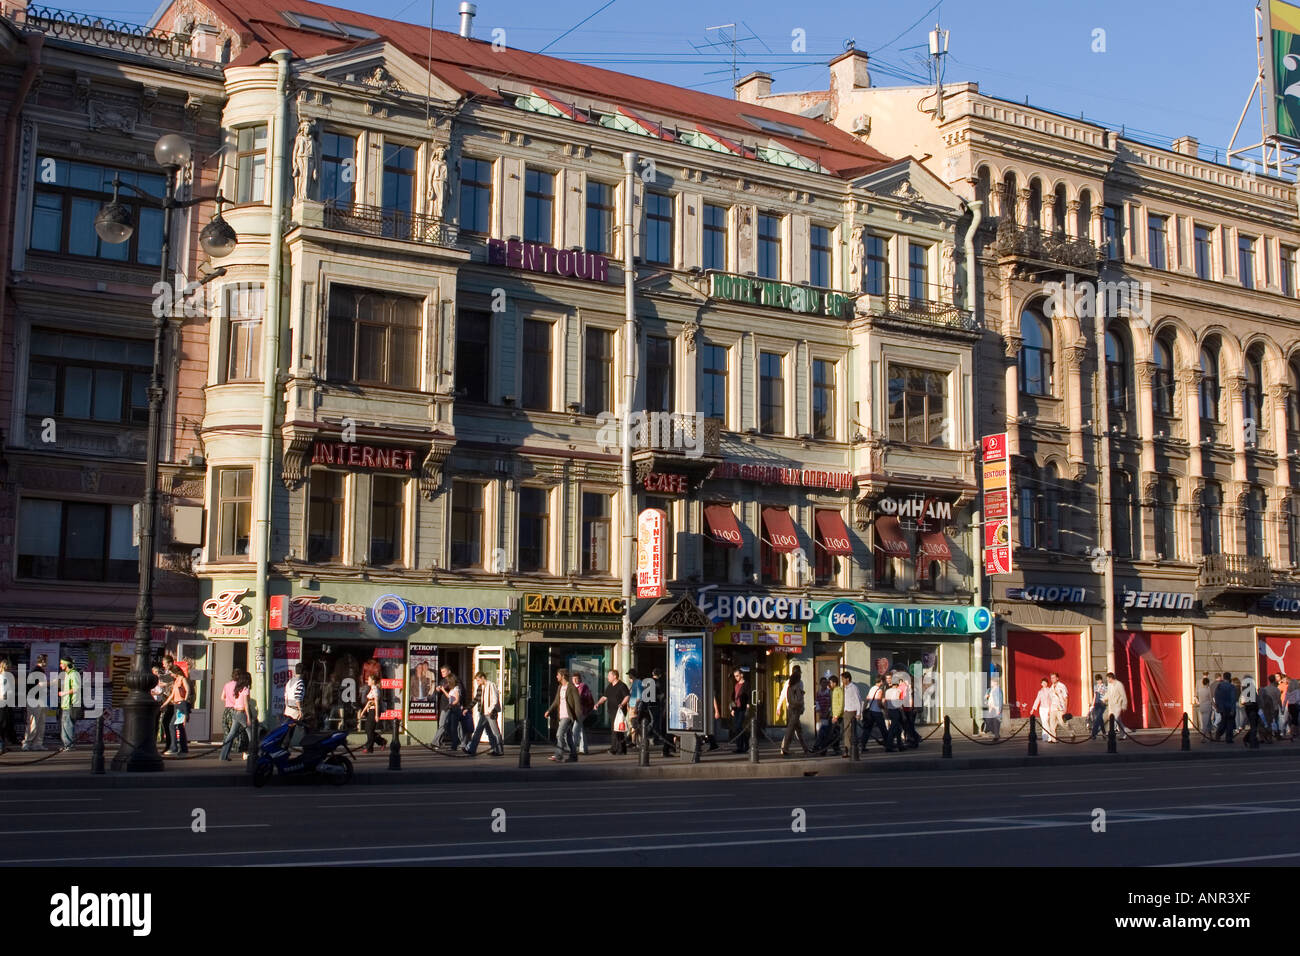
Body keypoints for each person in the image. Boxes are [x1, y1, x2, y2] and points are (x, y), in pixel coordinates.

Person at [463, 671, 505, 757]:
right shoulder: (480, 687)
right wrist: (467, 708)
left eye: (478, 680)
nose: (477, 682)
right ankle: (472, 750)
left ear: (482, 678)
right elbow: (476, 699)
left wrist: (490, 710)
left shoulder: (491, 685)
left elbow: (495, 699)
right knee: (479, 731)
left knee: (495, 732)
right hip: (483, 713)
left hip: (490, 713)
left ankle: (499, 750)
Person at [544, 668, 581, 762]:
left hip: (568, 716)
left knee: (559, 734)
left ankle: (558, 755)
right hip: (561, 715)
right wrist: (549, 710)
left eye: (558, 675)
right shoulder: (560, 687)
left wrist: (578, 717)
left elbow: (577, 703)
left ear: (563, 676)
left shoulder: (572, 688)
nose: (556, 676)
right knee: (568, 738)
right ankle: (574, 756)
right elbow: (557, 701)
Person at [594, 670, 630, 755]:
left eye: (609, 676)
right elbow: (604, 697)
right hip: (611, 711)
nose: (608, 677)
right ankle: (622, 749)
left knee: (616, 730)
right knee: (617, 729)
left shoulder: (622, 685)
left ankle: (614, 749)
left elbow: (627, 696)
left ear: (615, 676)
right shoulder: (609, 686)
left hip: (619, 711)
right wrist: (598, 703)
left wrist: (622, 704)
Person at [219, 670, 251, 761]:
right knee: (250, 734)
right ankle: (253, 754)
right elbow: (246, 704)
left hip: (234, 712)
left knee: (231, 734)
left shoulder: (237, 688)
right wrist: (248, 717)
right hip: (241, 712)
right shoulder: (245, 689)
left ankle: (223, 755)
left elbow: (223, 697)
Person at [778, 665, 808, 757]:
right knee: (791, 728)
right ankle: (785, 748)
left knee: (797, 728)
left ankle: (805, 748)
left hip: (790, 707)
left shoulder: (789, 683)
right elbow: (800, 698)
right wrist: (802, 706)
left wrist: (778, 707)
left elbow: (783, 694)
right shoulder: (799, 683)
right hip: (796, 709)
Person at [56, 657, 83, 752]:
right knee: (65, 726)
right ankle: (67, 745)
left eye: (61, 663)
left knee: (68, 726)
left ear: (66, 664)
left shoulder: (74, 674)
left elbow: (76, 688)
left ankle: (69, 745)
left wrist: (64, 693)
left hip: (71, 704)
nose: (60, 665)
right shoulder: (68, 674)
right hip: (66, 704)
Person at [23, 654, 48, 751]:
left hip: (40, 699)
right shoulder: (36, 671)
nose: (47, 662)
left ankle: (37, 743)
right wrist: (54, 683)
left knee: (41, 722)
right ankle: (27, 743)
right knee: (33, 722)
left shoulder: (40, 671)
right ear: (43, 661)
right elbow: (40, 684)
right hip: (34, 700)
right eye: (46, 660)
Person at [163, 663, 189, 755]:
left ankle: (174, 747)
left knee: (172, 725)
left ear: (175, 672)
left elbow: (188, 690)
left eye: (171, 673)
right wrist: (164, 704)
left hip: (180, 705)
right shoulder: (176, 681)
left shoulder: (182, 679)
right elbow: (172, 695)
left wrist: (184, 702)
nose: (171, 675)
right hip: (176, 705)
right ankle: (183, 749)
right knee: (179, 726)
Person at [863, 675, 894, 751]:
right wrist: (884, 708)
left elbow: (867, 699)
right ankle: (888, 746)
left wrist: (864, 709)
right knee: (883, 729)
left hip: (870, 712)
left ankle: (863, 746)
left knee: (867, 729)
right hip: (877, 712)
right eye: (883, 681)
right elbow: (879, 703)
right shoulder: (879, 690)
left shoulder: (872, 688)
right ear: (881, 681)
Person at [359, 673, 386, 753]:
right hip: (370, 711)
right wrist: (363, 711)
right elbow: (369, 702)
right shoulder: (372, 689)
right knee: (368, 729)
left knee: (369, 729)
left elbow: (376, 703)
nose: (368, 681)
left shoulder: (376, 690)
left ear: (373, 681)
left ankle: (368, 746)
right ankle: (381, 741)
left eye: (369, 680)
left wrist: (376, 715)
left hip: (374, 711)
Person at [438, 674, 464, 750]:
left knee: (453, 728)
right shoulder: (452, 689)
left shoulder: (456, 689)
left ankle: (455, 744)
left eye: (449, 682)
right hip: (452, 709)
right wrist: (443, 690)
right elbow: (450, 697)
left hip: (455, 709)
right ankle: (455, 743)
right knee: (449, 727)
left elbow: (457, 700)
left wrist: (451, 704)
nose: (448, 683)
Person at [571, 672, 594, 756]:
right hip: (576, 711)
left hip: (582, 711)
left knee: (575, 729)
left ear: (580, 679)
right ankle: (583, 749)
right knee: (580, 729)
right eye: (574, 678)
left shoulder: (583, 686)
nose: (575, 680)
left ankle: (572, 748)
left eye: (577, 678)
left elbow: (583, 697)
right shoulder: (572, 687)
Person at [1213, 671, 1239, 743]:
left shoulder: (1219, 686)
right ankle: (1229, 738)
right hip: (1229, 707)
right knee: (1230, 722)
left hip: (1222, 707)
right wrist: (1233, 709)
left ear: (1223, 677)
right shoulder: (1231, 687)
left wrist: (1217, 706)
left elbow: (1216, 696)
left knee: (1223, 721)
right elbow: (1233, 698)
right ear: (1229, 678)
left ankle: (1218, 734)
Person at [840, 671, 861, 758]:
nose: (842, 681)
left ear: (847, 679)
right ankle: (847, 749)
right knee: (846, 732)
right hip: (845, 711)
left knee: (850, 732)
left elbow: (858, 700)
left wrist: (859, 713)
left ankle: (849, 750)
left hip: (851, 711)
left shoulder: (853, 687)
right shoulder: (843, 688)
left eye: (843, 679)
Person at [156, 655, 175, 746]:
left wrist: (166, 684)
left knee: (169, 723)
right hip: (165, 699)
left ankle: (171, 745)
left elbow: (177, 682)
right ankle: (169, 745)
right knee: (165, 722)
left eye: (165, 664)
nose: (163, 666)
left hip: (172, 701)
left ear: (170, 663)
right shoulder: (166, 672)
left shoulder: (175, 671)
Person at [821, 675, 843, 755]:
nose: (828, 685)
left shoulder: (839, 691)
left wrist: (836, 716)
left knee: (831, 734)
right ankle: (836, 749)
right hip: (832, 715)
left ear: (834, 683)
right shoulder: (832, 691)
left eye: (830, 683)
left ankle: (824, 750)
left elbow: (841, 704)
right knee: (833, 734)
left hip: (837, 716)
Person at [1104, 672, 1129, 740]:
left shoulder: (1119, 684)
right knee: (1118, 720)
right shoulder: (1109, 685)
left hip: (1118, 704)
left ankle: (1114, 732)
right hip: (1112, 705)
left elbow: (1123, 695)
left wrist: (1124, 705)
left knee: (1116, 719)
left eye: (1107, 678)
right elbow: (1108, 693)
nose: (1107, 680)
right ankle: (1123, 733)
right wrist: (1104, 699)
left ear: (1111, 678)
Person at [729, 668, 749, 752]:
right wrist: (733, 709)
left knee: (738, 726)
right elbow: (733, 698)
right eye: (735, 676)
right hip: (736, 708)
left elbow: (748, 695)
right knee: (737, 727)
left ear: (742, 675)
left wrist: (748, 707)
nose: (736, 677)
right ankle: (742, 745)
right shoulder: (736, 685)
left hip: (742, 708)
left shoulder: (746, 684)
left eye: (737, 676)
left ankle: (742, 745)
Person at [1241, 674, 1261, 749]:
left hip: (1249, 708)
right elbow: (1255, 699)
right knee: (1254, 726)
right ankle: (1252, 741)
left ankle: (1247, 739)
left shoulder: (1245, 688)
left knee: (1254, 726)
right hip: (1253, 708)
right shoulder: (1250, 688)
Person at [812, 676, 832, 752]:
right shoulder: (818, 693)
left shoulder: (828, 692)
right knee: (821, 731)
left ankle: (819, 747)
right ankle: (820, 747)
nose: (824, 684)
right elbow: (817, 703)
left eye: (825, 683)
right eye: (822, 683)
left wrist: (827, 712)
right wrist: (819, 713)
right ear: (820, 684)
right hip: (820, 715)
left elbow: (830, 703)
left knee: (824, 732)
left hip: (827, 715)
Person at [1261, 674, 1281, 744]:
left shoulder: (1265, 689)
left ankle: (1268, 736)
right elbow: (1279, 700)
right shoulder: (1277, 689)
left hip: (1266, 709)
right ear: (1274, 680)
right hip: (1275, 708)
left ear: (1268, 680)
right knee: (1276, 721)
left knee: (1267, 723)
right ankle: (1277, 734)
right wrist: (1281, 707)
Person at [0, 659, 15, 754]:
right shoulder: (5, 676)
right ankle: (1, 746)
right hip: (3, 704)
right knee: (3, 725)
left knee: (3, 725)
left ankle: (3, 746)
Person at [1049, 672, 1069, 739]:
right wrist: (1049, 710)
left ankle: (1071, 733)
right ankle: (1053, 739)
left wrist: (1065, 708)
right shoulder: (1051, 688)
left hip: (1060, 707)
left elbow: (1066, 697)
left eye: (1054, 678)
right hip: (1053, 708)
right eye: (1051, 678)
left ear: (1057, 678)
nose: (1052, 679)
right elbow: (1050, 700)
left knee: (1062, 723)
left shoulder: (1062, 686)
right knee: (1052, 724)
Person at [1088, 674, 1107, 740]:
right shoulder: (1095, 686)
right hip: (1096, 703)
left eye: (1099, 680)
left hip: (1102, 703)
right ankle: (1104, 733)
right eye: (1097, 680)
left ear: (1101, 679)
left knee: (1097, 718)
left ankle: (1094, 734)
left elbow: (1106, 695)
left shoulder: (1104, 686)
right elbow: (1095, 696)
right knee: (1099, 719)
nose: (1098, 681)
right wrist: (1092, 705)